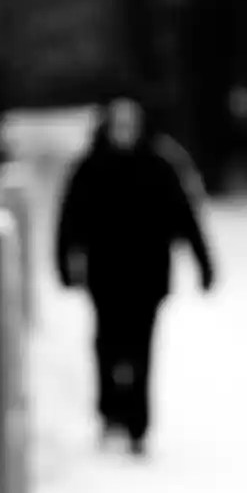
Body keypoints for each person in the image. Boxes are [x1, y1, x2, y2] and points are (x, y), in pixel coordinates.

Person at [54, 96, 217, 457]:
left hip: (148, 276)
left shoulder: (160, 166)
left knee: (141, 347)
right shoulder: (89, 167)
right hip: (105, 276)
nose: (124, 133)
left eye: (130, 125)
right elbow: (68, 220)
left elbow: (185, 217)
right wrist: (64, 264)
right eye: (119, 125)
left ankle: (137, 422)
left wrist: (204, 264)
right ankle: (109, 412)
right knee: (107, 344)